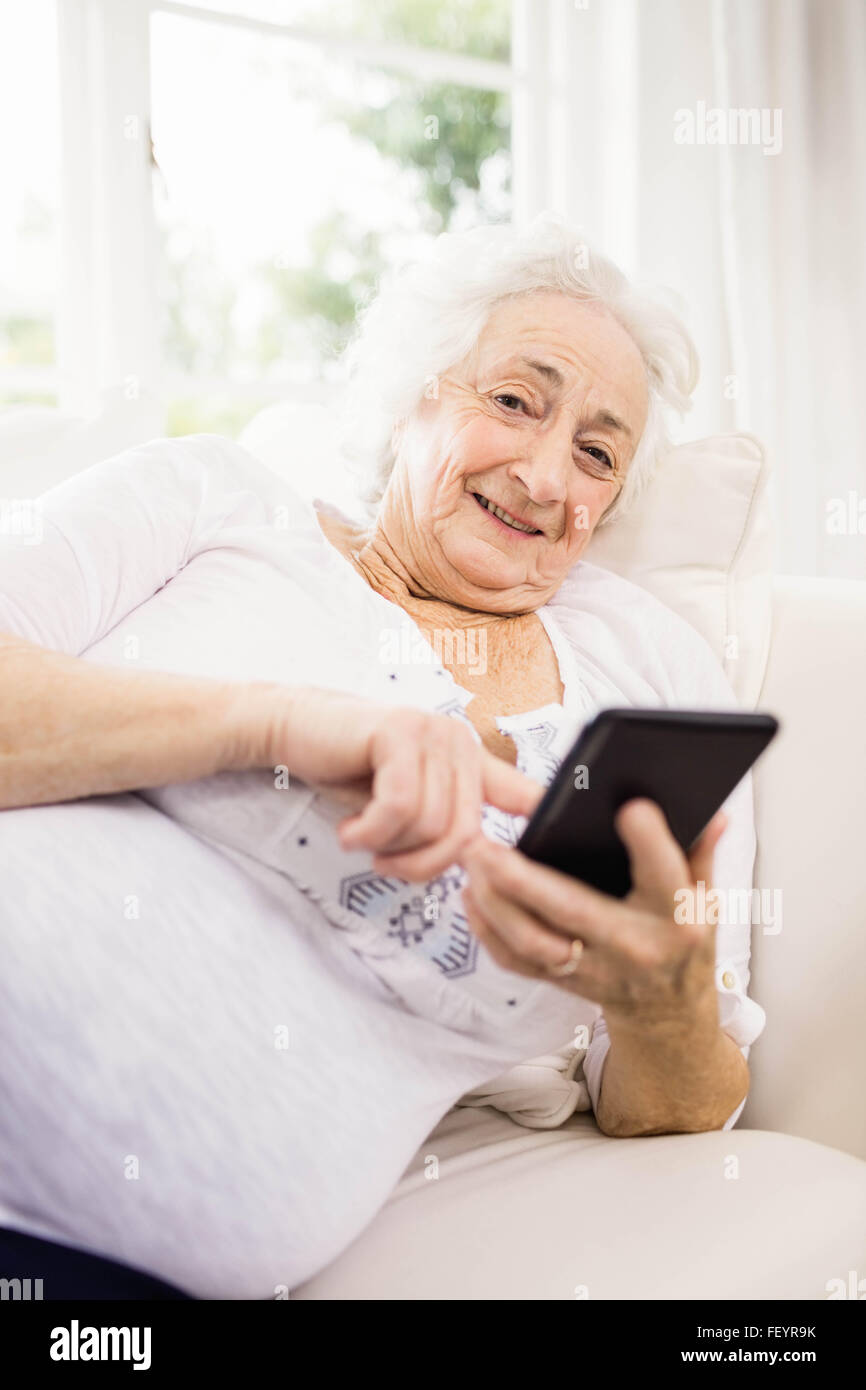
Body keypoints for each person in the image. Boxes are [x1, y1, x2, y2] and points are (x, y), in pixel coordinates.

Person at [0, 215, 765, 1299]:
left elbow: (675, 1102)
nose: (547, 479)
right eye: (513, 400)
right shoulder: (215, 503)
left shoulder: (651, 679)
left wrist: (664, 1004)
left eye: (597, 452)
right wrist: (263, 726)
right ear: (414, 393)